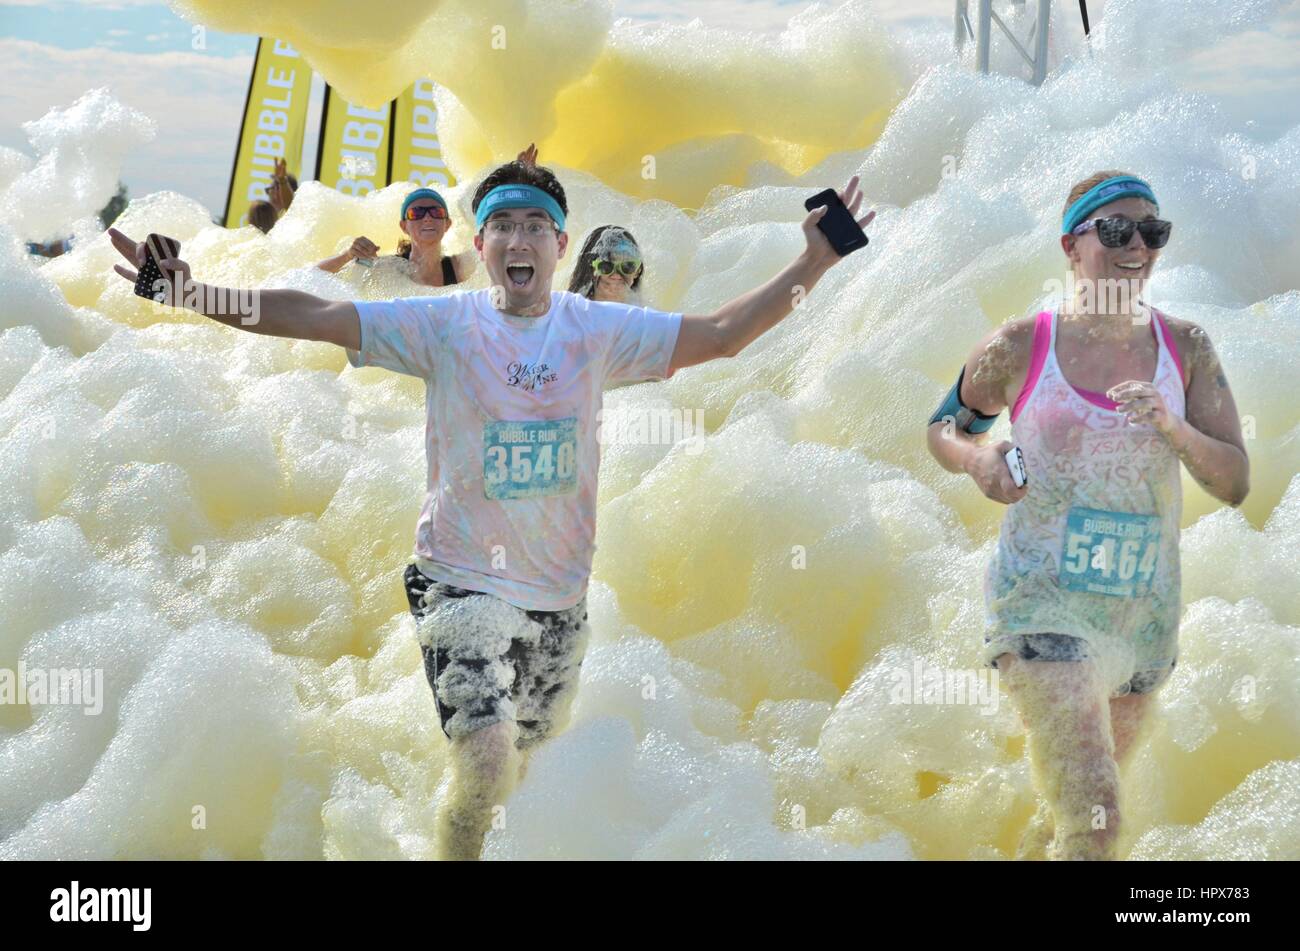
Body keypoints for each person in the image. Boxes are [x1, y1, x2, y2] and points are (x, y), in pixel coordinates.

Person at [108, 159, 873, 861]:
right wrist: (190, 291)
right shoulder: (448, 322)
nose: (518, 238)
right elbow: (315, 314)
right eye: (503, 224)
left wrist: (815, 261)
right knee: (486, 759)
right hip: (459, 581)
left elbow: (722, 335)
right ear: (483, 239)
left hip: (559, 602)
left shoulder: (597, 331)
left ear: (559, 242)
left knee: (526, 774)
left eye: (535, 226)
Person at [925, 171, 1249, 860]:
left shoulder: (1186, 348)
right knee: (1096, 819)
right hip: (1041, 608)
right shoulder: (1019, 345)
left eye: (1152, 232)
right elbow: (944, 428)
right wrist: (978, 461)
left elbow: (1234, 478)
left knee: (1067, 823)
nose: (1138, 245)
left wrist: (1175, 428)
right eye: (1116, 229)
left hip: (1140, 621)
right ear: (1071, 245)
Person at [316, 187, 474, 288]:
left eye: (436, 212)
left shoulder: (460, 267)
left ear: (447, 224)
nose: (427, 218)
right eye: (416, 213)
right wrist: (348, 255)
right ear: (404, 226)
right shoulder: (388, 268)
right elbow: (311, 278)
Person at [568, 225, 644, 303]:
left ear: (637, 271)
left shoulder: (645, 313)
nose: (616, 275)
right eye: (606, 266)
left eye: (627, 266)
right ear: (590, 268)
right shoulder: (570, 308)